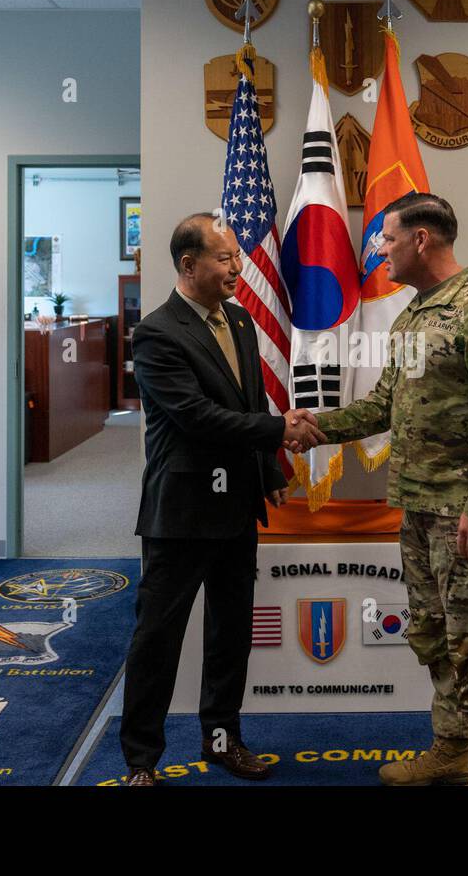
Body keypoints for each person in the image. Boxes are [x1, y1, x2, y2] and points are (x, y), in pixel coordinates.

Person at [313, 193, 468, 787]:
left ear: (421, 240)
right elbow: (385, 403)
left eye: (386, 238)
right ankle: (451, 749)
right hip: (417, 508)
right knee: (436, 637)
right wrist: (312, 429)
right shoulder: (413, 315)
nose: (378, 249)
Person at [119, 212, 325, 787]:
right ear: (189, 265)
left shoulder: (238, 319)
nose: (238, 266)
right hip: (181, 512)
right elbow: (195, 417)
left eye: (236, 256)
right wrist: (278, 430)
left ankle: (222, 738)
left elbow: (247, 398)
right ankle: (141, 760)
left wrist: (267, 471)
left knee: (230, 634)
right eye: (225, 258)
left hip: (236, 507)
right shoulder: (156, 331)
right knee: (158, 639)